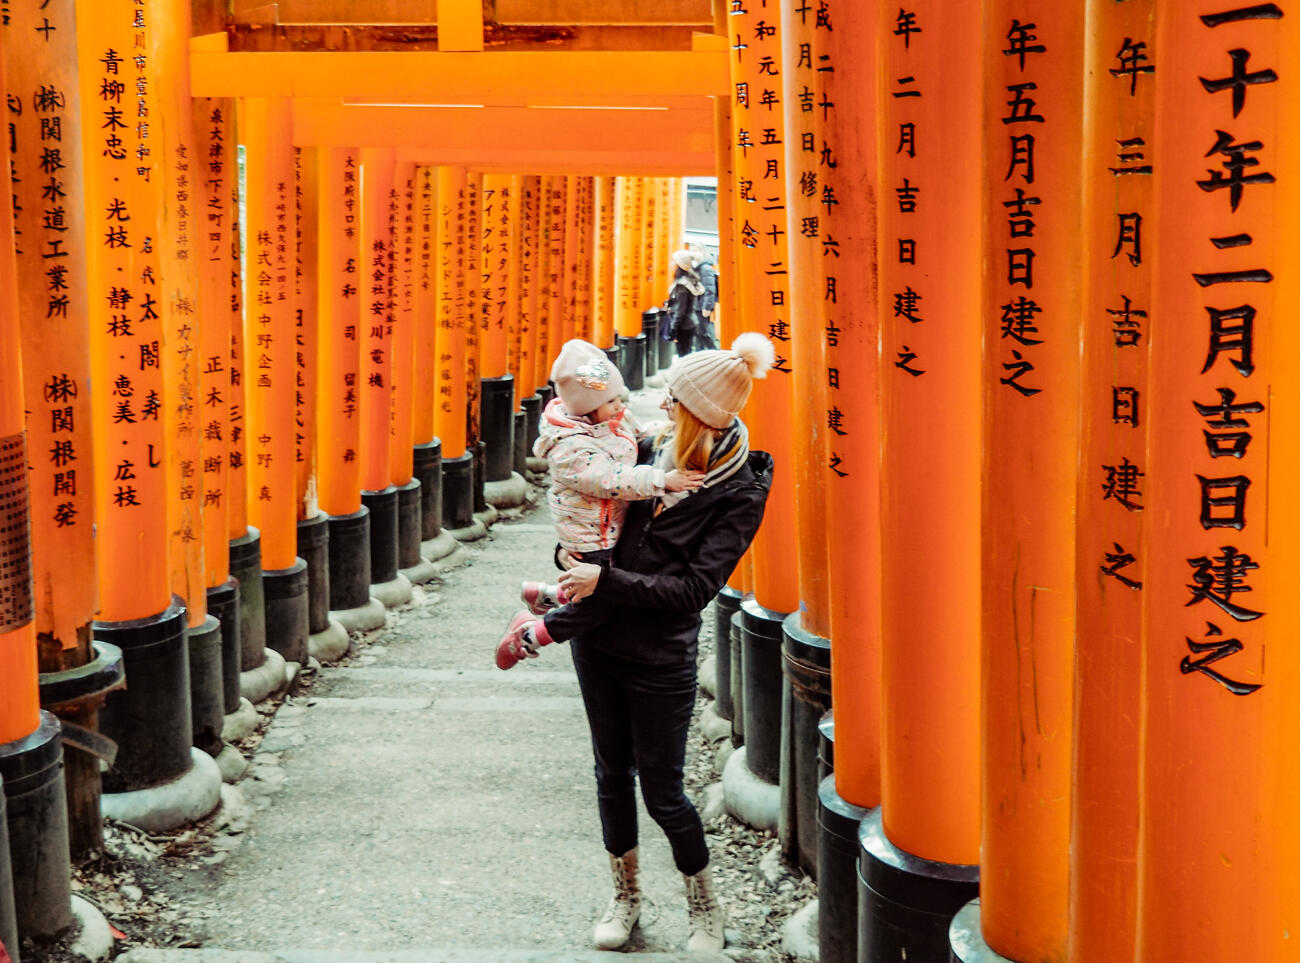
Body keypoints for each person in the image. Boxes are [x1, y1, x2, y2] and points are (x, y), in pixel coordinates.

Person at [514, 333, 776, 953]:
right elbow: (588, 513)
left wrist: (604, 578)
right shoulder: (650, 451)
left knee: (664, 792)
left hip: (660, 656)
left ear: (703, 414)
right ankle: (626, 895)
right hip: (598, 637)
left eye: (676, 402)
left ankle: (703, 905)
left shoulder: (740, 491)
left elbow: (692, 590)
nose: (662, 411)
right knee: (610, 774)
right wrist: (570, 561)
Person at [496, 339, 704, 670]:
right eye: (611, 401)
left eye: (619, 397)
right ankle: (531, 633)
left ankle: (551, 596)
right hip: (589, 534)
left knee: (600, 590)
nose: (620, 406)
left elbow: (638, 436)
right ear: (585, 408)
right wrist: (664, 480)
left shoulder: (610, 416)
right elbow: (611, 479)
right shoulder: (570, 448)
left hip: (607, 525)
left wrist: (667, 433)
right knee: (600, 604)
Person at [666, 249, 705, 358]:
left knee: (683, 355)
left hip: (683, 325)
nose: (672, 264)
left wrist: (673, 328)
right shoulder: (690, 279)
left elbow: (680, 310)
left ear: (680, 265)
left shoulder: (682, 285)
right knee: (686, 353)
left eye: (675, 262)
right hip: (690, 322)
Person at [692, 245, 719, 351]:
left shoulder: (705, 268)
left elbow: (710, 289)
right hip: (698, 305)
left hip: (702, 306)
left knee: (703, 333)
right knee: (699, 332)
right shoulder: (699, 267)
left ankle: (715, 353)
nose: (692, 253)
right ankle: (699, 355)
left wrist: (707, 307)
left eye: (694, 251)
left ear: (701, 251)